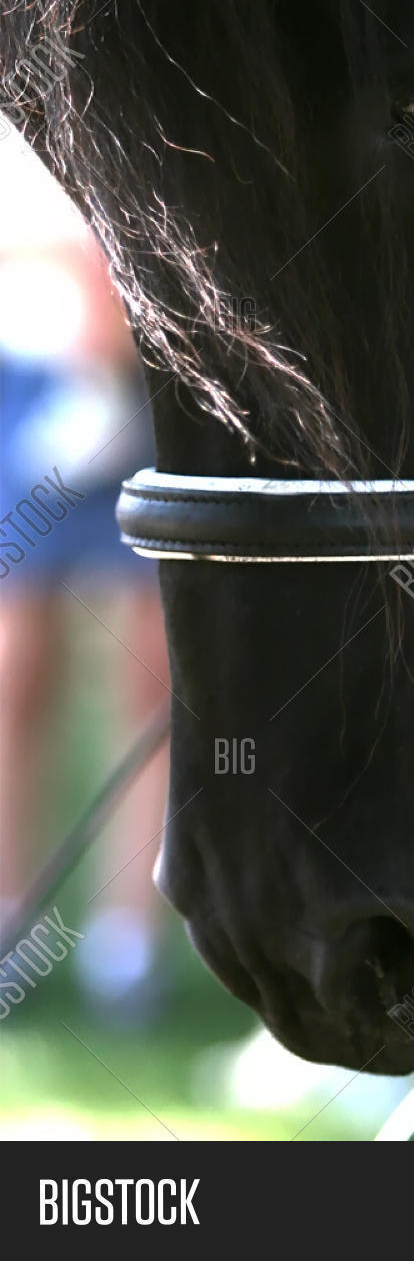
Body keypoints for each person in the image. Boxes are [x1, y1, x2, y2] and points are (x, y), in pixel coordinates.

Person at [0, 131, 170, 1021]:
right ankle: (8, 927)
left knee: (150, 680)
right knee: (13, 675)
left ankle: (127, 951)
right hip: (24, 383)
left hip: (145, 385)